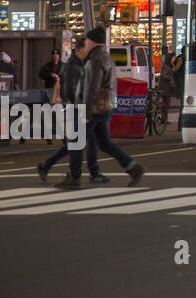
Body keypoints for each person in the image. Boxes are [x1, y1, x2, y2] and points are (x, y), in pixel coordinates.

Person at [60, 27, 145, 189]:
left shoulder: (95, 61)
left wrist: (85, 111)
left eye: (88, 40)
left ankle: (75, 176)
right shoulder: (106, 58)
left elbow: (91, 88)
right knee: (104, 143)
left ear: (92, 42)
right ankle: (133, 168)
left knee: (76, 142)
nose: (86, 42)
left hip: (94, 107)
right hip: (105, 106)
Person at [37, 37, 89, 184]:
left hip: (79, 106)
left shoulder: (75, 64)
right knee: (78, 141)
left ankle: (52, 167)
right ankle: (76, 174)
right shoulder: (73, 65)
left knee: (77, 141)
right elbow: (72, 89)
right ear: (81, 49)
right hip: (78, 107)